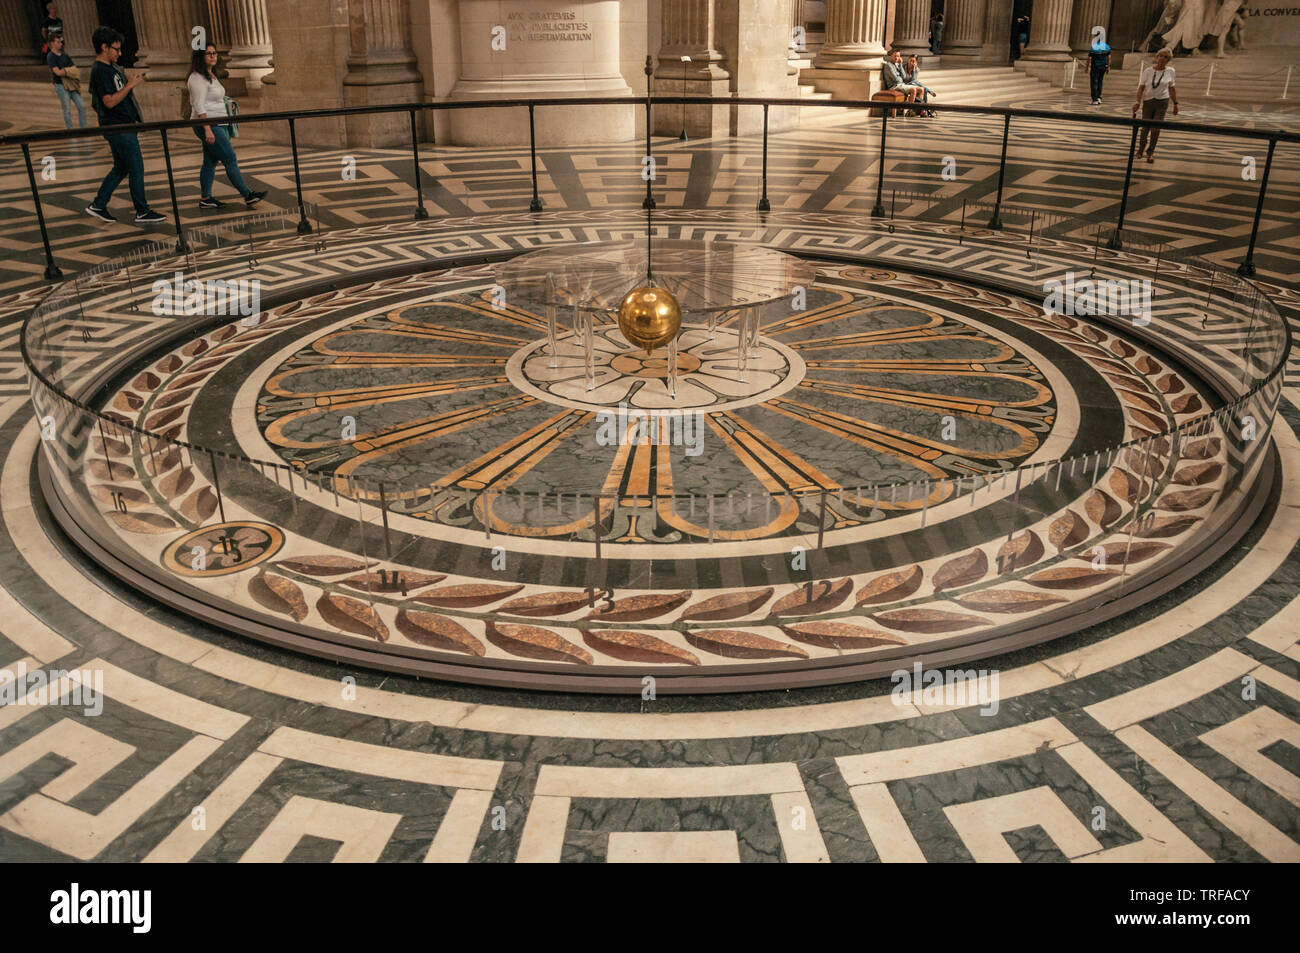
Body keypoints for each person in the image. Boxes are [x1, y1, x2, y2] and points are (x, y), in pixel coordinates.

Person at [85, 26, 165, 225]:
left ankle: (98, 204)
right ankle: (142, 211)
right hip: (118, 127)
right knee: (136, 168)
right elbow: (109, 101)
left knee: (121, 168)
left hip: (123, 125)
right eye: (116, 49)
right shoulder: (100, 71)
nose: (119, 53)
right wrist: (130, 85)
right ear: (104, 47)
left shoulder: (110, 68)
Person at [187, 44, 266, 209]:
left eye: (214, 53)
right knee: (230, 158)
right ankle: (247, 195)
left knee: (210, 161)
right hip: (210, 124)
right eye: (208, 54)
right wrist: (207, 128)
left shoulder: (210, 75)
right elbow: (199, 105)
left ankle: (205, 198)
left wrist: (227, 105)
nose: (213, 56)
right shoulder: (197, 78)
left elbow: (214, 99)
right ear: (200, 57)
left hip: (219, 122)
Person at [1133, 48, 1180, 163]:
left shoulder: (1170, 71)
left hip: (1162, 102)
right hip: (1148, 101)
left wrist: (1175, 103)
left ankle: (1150, 153)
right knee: (1145, 128)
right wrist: (1138, 102)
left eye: (1165, 57)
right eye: (1161, 56)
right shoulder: (1148, 71)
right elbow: (1141, 88)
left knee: (1156, 129)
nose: (1162, 59)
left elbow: (1172, 88)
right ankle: (1140, 150)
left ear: (1168, 60)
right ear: (1157, 57)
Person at [46, 33, 85, 130]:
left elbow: (75, 70)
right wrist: (68, 71)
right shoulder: (50, 56)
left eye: (61, 42)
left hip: (71, 84)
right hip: (61, 85)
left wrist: (65, 71)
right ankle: (70, 130)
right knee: (66, 109)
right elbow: (57, 72)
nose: (61, 44)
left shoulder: (65, 55)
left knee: (81, 106)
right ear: (52, 43)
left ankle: (84, 129)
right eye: (58, 42)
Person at [1087, 37, 1110, 106]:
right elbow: (1109, 57)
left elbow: (1089, 58)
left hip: (1095, 67)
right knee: (1100, 82)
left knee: (1094, 82)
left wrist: (1086, 67)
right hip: (1103, 67)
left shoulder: (1094, 47)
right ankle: (1099, 97)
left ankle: (1095, 99)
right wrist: (1108, 66)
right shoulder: (1106, 47)